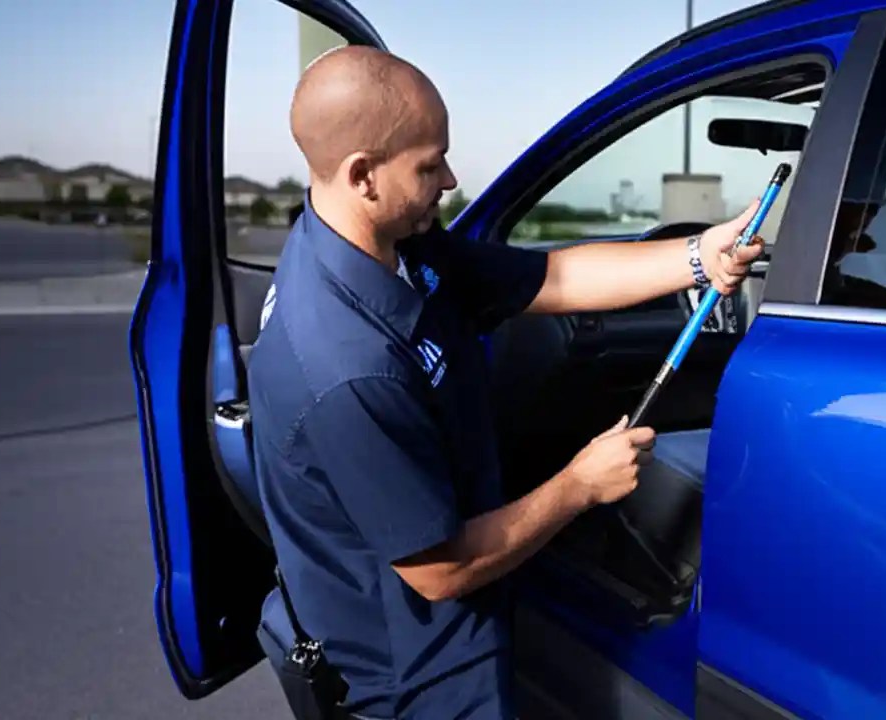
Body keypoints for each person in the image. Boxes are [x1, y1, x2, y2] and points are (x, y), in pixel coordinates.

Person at [247, 45, 766, 720]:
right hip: (419, 680)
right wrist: (579, 485)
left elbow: (554, 279)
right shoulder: (344, 367)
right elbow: (441, 570)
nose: (451, 179)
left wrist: (700, 256)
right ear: (363, 175)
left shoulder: (389, 243)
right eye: (430, 165)